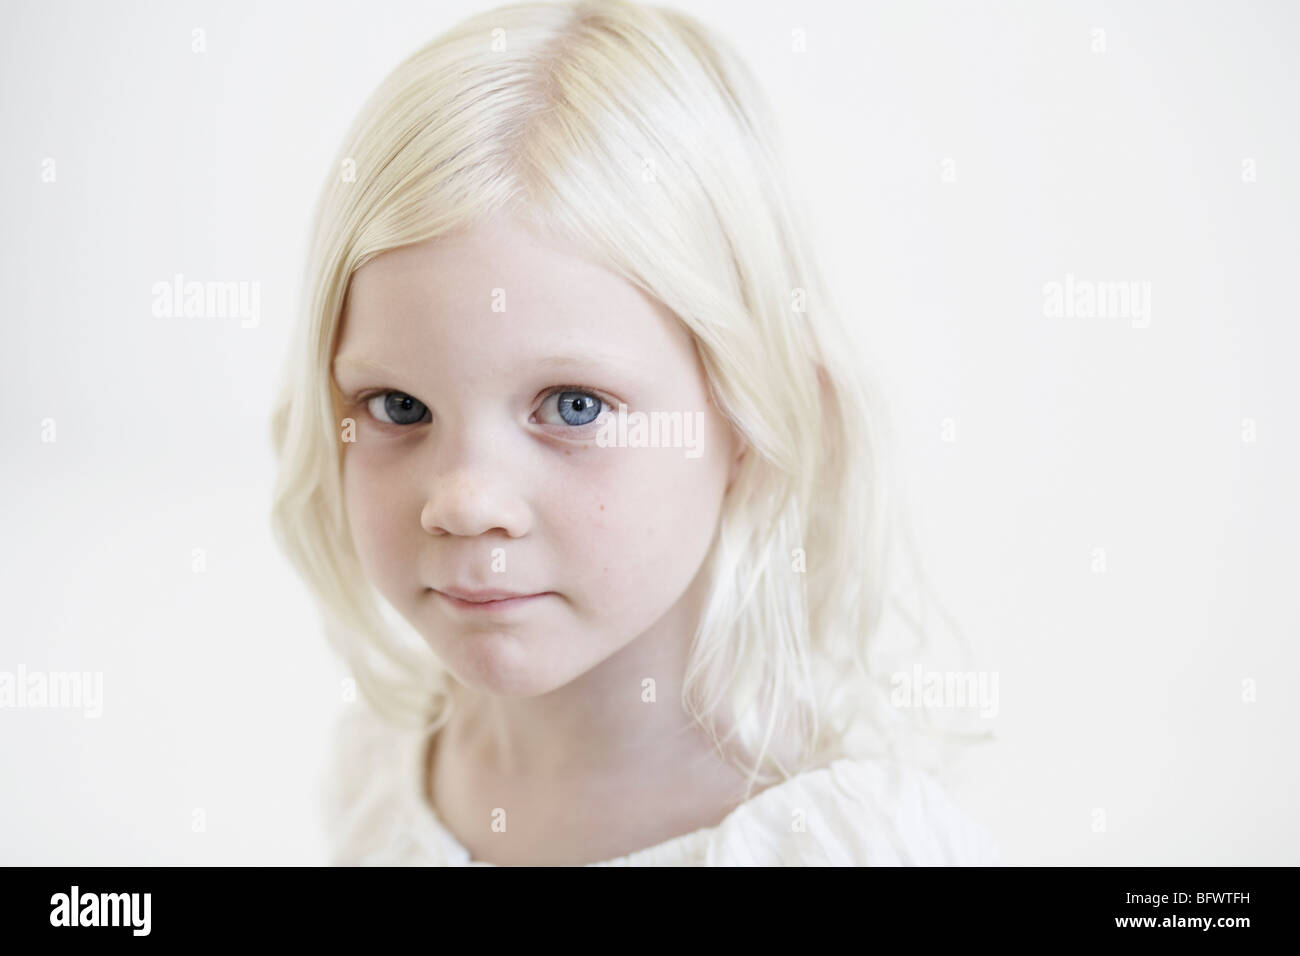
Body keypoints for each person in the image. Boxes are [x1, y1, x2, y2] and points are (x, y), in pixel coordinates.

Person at [269, 0, 1002, 866]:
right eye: (399, 407)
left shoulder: (848, 845)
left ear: (748, 417)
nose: (463, 503)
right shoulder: (385, 765)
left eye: (574, 406)